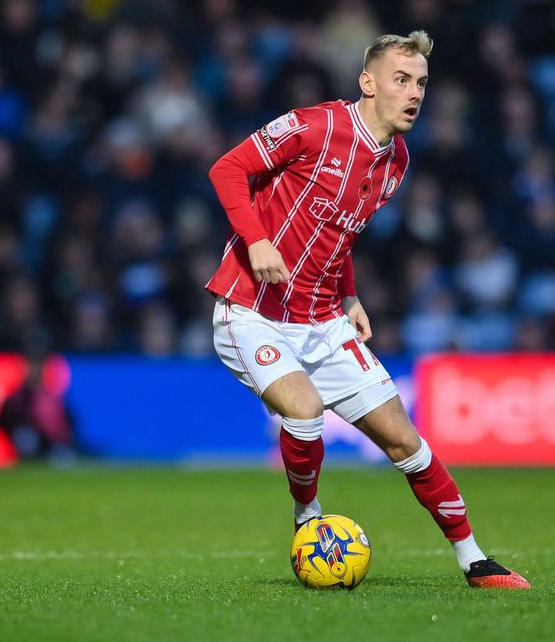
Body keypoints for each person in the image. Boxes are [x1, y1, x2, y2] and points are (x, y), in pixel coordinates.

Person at [205, 30, 529, 589]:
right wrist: (257, 241)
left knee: (407, 442)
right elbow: (226, 170)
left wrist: (349, 294)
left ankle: (475, 561)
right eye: (401, 80)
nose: (414, 93)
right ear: (368, 82)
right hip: (250, 307)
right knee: (304, 411)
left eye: (422, 83)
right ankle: (308, 519)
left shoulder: (396, 161)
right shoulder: (314, 125)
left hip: (324, 318)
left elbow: (340, 234)